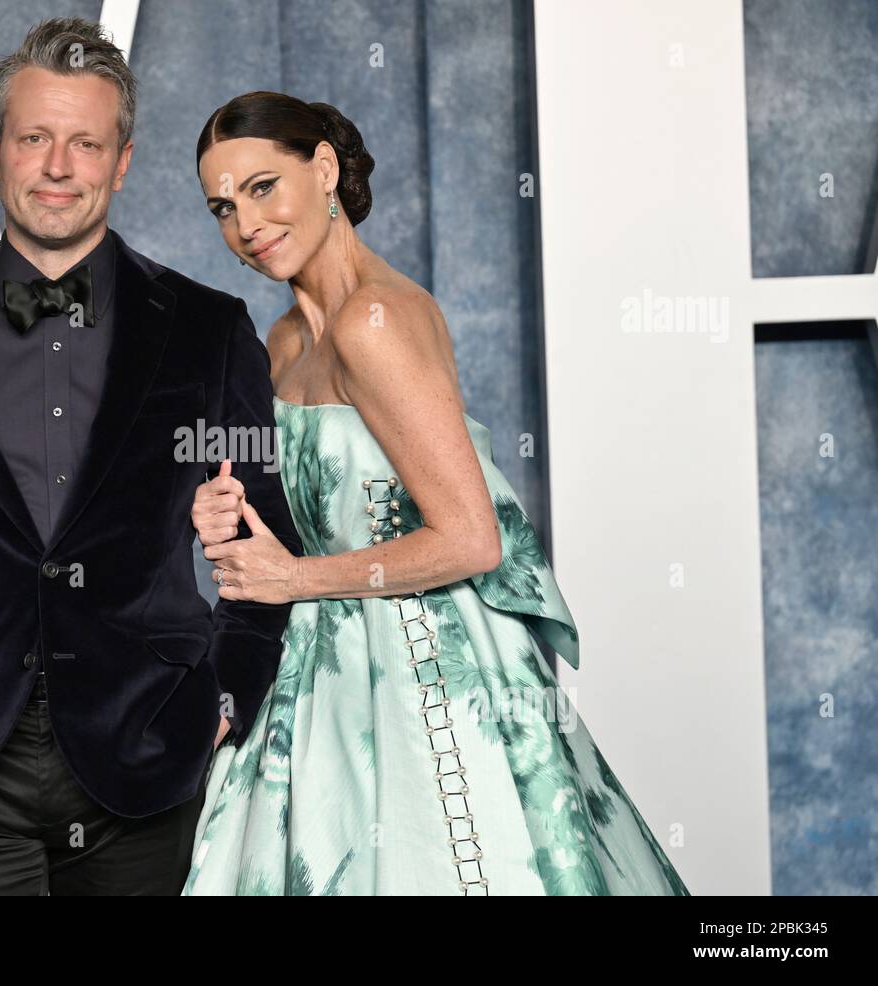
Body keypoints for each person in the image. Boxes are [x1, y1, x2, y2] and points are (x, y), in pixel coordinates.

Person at [0, 18, 302, 895]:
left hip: (146, 758)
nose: (59, 166)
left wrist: (225, 697)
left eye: (86, 142)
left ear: (122, 160)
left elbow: (266, 543)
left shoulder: (208, 332)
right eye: (35, 138)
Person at [180, 91, 690, 896]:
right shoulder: (281, 342)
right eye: (222, 205)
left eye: (262, 187)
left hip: (424, 680)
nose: (244, 225)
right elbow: (306, 519)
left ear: (323, 170)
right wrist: (223, 516)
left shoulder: (376, 320)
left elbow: (470, 540)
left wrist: (297, 579)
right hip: (313, 684)